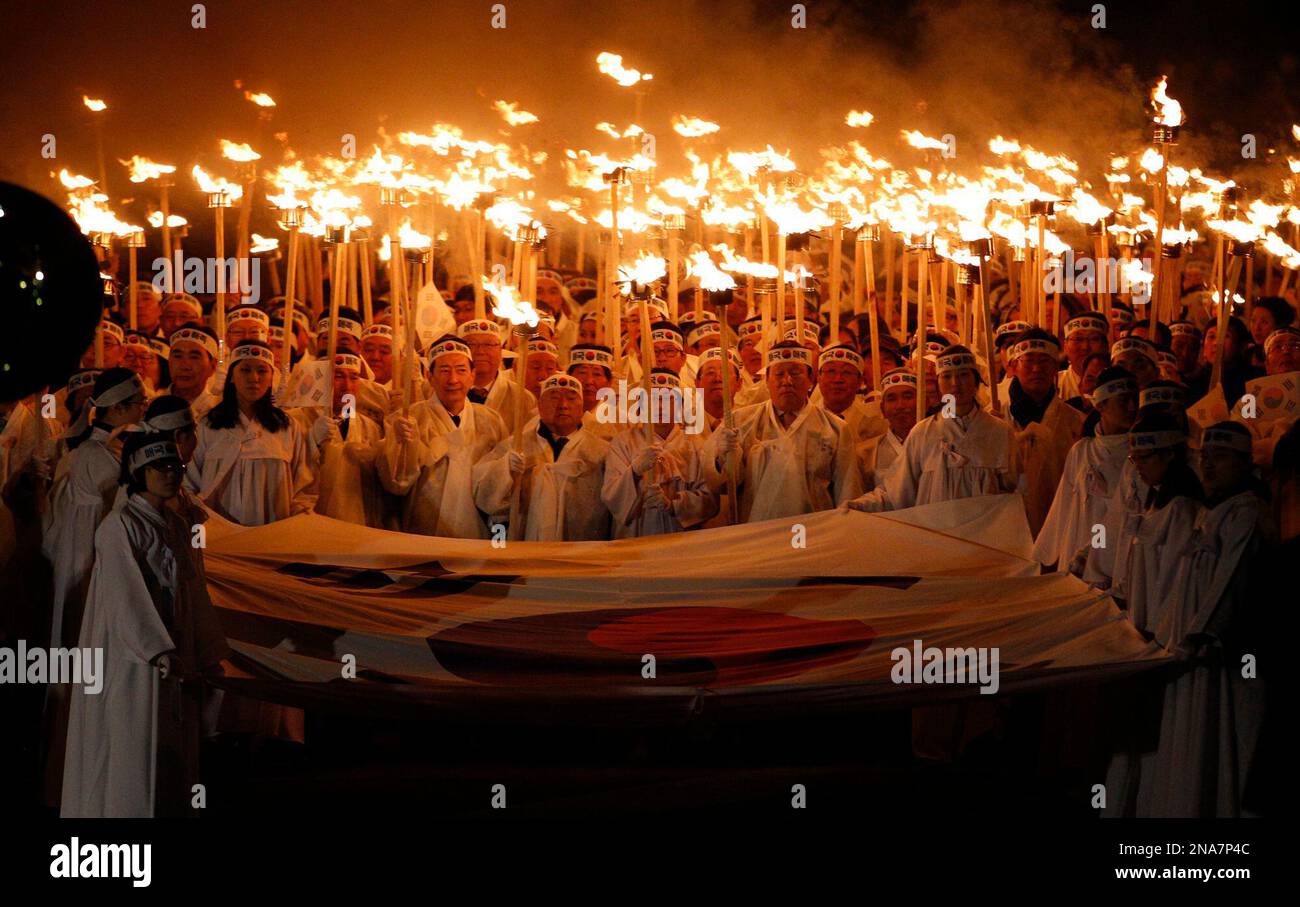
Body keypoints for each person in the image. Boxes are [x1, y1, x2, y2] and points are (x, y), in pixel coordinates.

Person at [60, 433, 229, 817]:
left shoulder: (174, 523)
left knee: (173, 749)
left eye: (176, 467)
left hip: (175, 654)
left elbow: (192, 590)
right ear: (138, 472)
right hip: (134, 660)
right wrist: (156, 648)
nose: (170, 475)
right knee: (133, 741)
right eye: (159, 467)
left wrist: (204, 649)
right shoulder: (119, 526)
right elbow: (125, 593)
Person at [1108, 422, 1269, 817]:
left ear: (1245, 463)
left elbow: (1231, 578)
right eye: (1206, 457)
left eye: (1221, 458)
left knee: (1213, 737)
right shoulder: (1209, 513)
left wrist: (1199, 633)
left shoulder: (1245, 512)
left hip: (1215, 658)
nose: (1209, 466)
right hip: (1183, 649)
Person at [845, 347, 1018, 512]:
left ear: (976, 382)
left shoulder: (1000, 432)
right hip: (937, 534)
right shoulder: (923, 433)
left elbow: (1015, 492)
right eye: (946, 376)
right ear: (939, 385)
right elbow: (896, 491)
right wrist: (859, 506)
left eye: (963, 375)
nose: (955, 384)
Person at [710, 341, 862, 521]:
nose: (787, 381)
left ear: (811, 379)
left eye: (795, 373)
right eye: (779, 374)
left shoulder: (836, 428)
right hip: (755, 531)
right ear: (766, 379)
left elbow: (847, 491)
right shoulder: (740, 422)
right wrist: (722, 457)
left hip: (814, 532)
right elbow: (722, 485)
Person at [379, 335, 507, 538]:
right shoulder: (409, 418)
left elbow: (498, 488)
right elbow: (396, 484)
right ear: (430, 377)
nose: (453, 380)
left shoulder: (491, 421)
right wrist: (401, 445)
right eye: (444, 371)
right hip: (422, 529)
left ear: (472, 374)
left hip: (477, 532)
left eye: (461, 370)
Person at [186, 341, 316, 525]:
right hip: (219, 535)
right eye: (245, 370)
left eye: (262, 371)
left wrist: (295, 521)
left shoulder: (287, 427)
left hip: (272, 535)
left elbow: (303, 486)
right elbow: (190, 482)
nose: (254, 378)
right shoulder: (207, 425)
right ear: (232, 376)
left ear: (272, 377)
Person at [474, 373, 612, 540]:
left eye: (571, 398)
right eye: (554, 398)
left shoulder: (600, 451)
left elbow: (616, 501)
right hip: (525, 545)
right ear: (539, 406)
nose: (563, 405)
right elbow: (482, 494)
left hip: (580, 549)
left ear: (582, 407)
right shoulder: (515, 445)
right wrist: (504, 469)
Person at [1033, 368, 1137, 572]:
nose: (1132, 407)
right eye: (1123, 401)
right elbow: (1063, 503)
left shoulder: (1140, 455)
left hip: (1121, 549)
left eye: (1135, 399)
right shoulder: (1082, 451)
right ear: (1101, 405)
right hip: (1081, 537)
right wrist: (1044, 556)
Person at [602, 370, 717, 537]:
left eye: (669, 399)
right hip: (636, 538)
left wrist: (674, 504)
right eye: (653, 399)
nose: (661, 406)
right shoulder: (623, 443)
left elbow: (710, 500)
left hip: (682, 539)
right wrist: (634, 472)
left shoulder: (695, 445)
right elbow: (610, 496)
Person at [1001, 329, 1086, 535]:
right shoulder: (994, 421)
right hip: (1006, 532)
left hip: (1057, 528)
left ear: (1056, 367)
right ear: (1013, 366)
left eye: (1045, 361)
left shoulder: (1076, 423)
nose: (1037, 369)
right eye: (1028, 361)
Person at [299, 353, 385, 527]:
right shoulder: (296, 421)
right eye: (338, 377)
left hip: (359, 526)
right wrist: (311, 441)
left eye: (354, 378)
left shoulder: (370, 428)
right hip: (312, 525)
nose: (347, 386)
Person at [856, 368, 918, 492]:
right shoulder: (865, 453)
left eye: (907, 397)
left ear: (924, 401)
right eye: (891, 399)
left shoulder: (939, 445)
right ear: (882, 409)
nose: (900, 406)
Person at [162, 324, 220, 419]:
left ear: (213, 366)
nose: (184, 365)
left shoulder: (221, 414)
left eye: (194, 357)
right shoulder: (150, 409)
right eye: (177, 356)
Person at [1059, 313, 1109, 400]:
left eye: (1094, 339)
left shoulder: (1117, 382)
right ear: (1065, 346)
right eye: (1078, 339)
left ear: (1106, 346)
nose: (1085, 347)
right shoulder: (1055, 384)